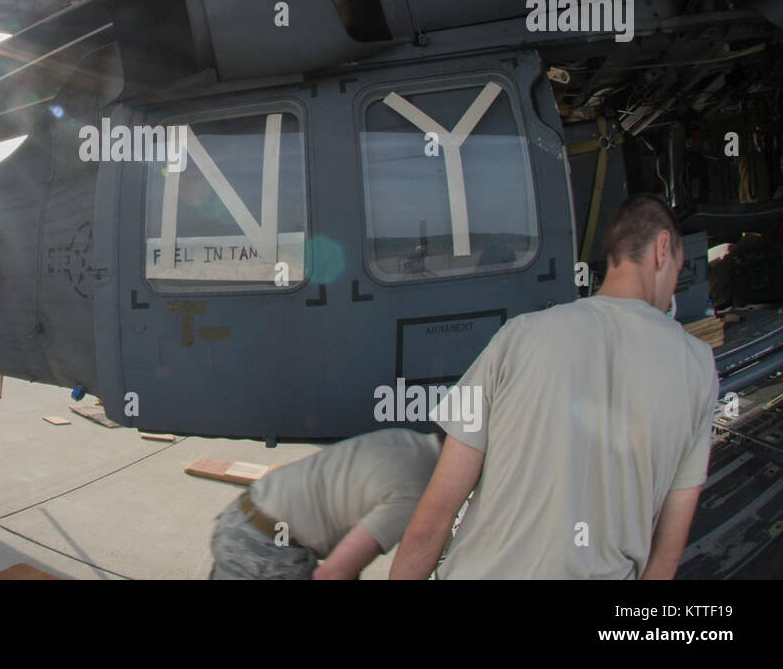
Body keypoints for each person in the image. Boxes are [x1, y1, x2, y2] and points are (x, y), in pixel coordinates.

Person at [390, 193, 719, 580]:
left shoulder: (517, 337)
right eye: (678, 271)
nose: (671, 295)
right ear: (663, 249)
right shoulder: (698, 368)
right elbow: (664, 559)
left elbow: (434, 516)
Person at [210, 427, 443, 579]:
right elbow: (333, 574)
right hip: (266, 551)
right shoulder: (417, 488)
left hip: (239, 519)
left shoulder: (409, 440)